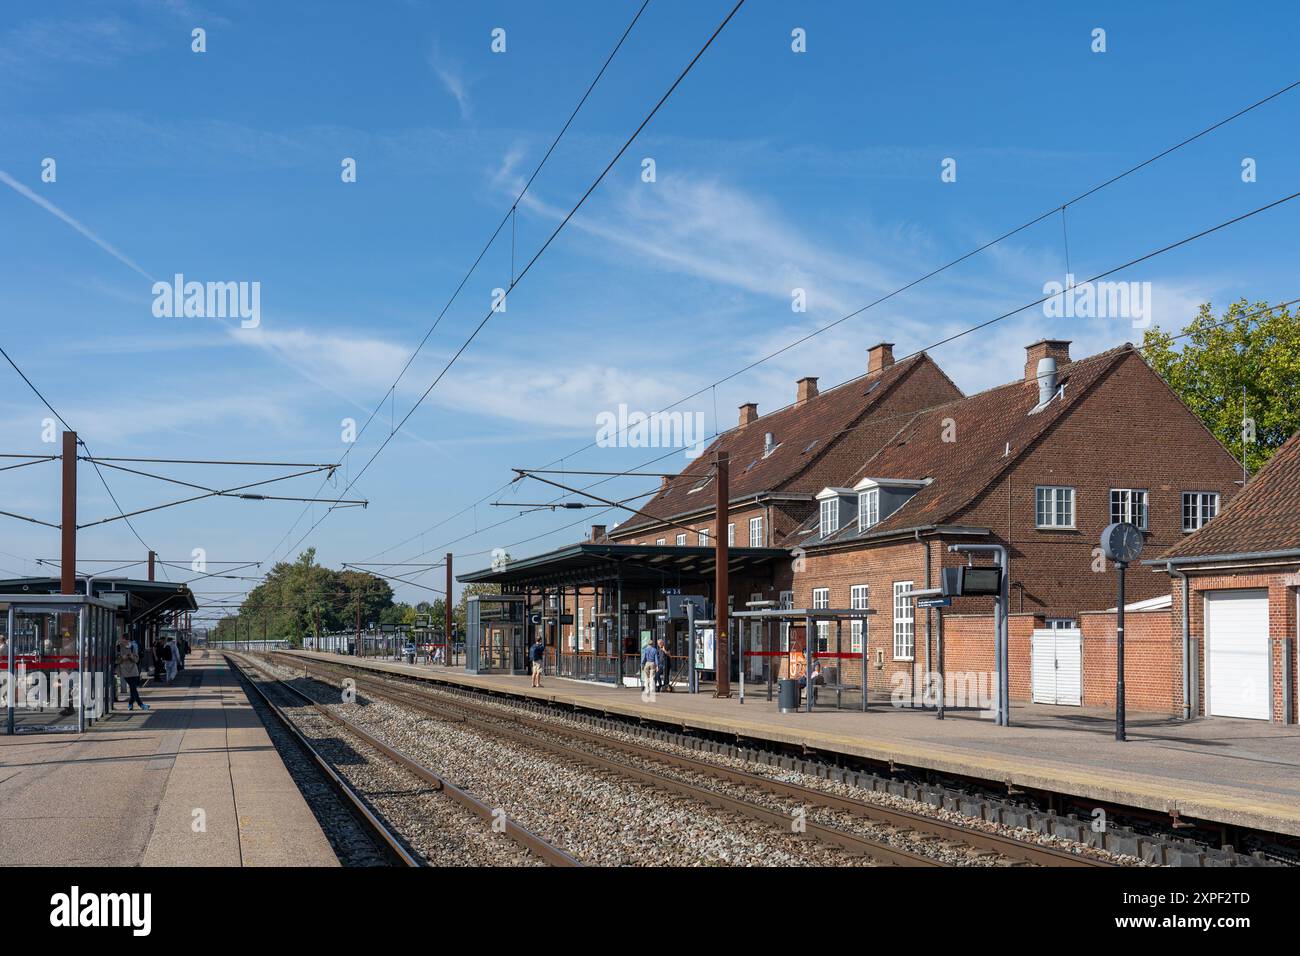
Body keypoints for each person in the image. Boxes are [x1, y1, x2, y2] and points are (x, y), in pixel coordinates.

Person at [116, 635, 148, 711]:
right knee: (133, 687)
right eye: (123, 640)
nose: (125, 642)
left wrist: (131, 657)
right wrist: (122, 658)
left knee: (133, 688)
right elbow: (116, 660)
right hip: (124, 670)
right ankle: (141, 705)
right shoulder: (118, 647)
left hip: (133, 670)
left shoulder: (133, 647)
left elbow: (137, 659)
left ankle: (131, 704)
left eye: (126, 641)